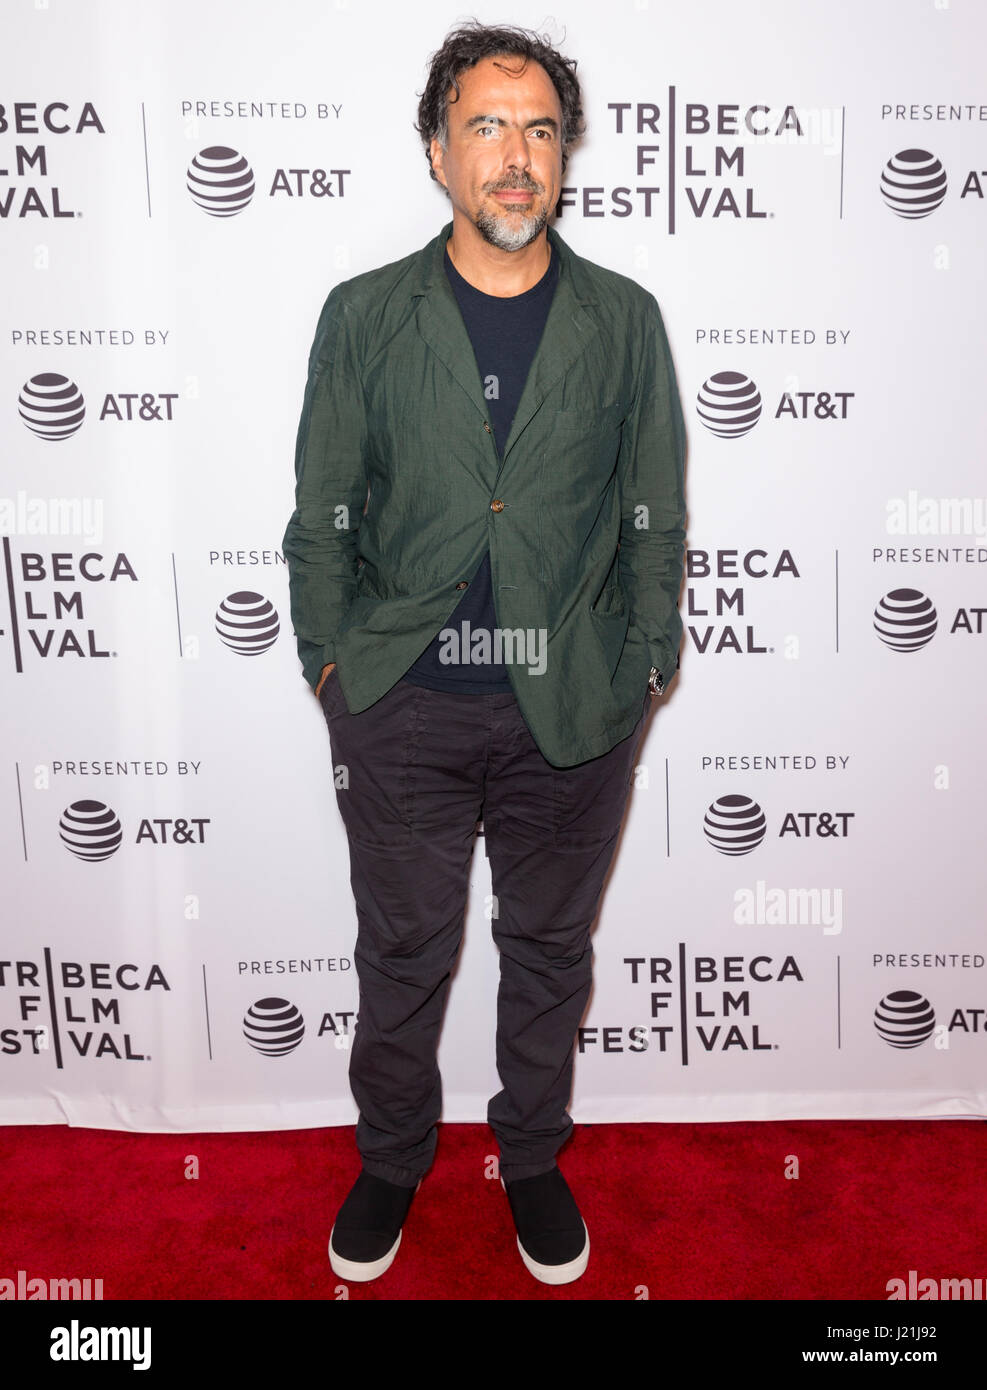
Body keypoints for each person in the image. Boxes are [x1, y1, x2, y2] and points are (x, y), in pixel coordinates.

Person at [282, 20, 686, 1287]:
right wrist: (333, 669)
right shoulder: (365, 316)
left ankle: (534, 1153)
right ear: (439, 153)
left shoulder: (624, 319)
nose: (517, 158)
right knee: (401, 951)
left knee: (551, 951)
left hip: (572, 708)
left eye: (541, 130)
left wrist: (643, 667)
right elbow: (320, 513)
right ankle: (393, 1158)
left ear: (564, 156)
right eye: (488, 128)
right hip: (402, 704)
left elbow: (654, 513)